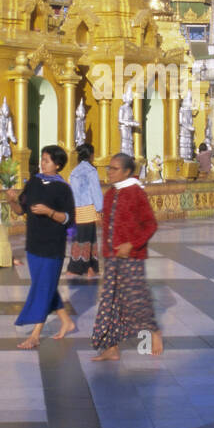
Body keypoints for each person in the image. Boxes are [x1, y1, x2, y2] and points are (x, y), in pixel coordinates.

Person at [91, 153, 162, 361]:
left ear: (127, 172)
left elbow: (151, 225)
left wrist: (132, 244)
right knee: (109, 302)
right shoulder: (111, 194)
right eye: (108, 168)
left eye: (114, 169)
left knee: (135, 299)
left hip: (132, 256)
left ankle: (154, 331)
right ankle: (110, 347)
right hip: (111, 256)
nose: (109, 172)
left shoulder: (135, 193)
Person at [6, 145, 77, 349]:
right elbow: (21, 210)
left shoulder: (63, 189)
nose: (42, 163)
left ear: (57, 165)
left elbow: (69, 219)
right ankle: (67, 321)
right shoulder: (34, 182)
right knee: (44, 285)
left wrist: (49, 212)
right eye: (42, 159)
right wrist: (11, 201)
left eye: (47, 160)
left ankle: (35, 335)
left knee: (42, 287)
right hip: (34, 243)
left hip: (53, 244)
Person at [66, 143, 103, 279]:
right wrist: (100, 208)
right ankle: (85, 268)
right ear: (91, 155)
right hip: (88, 209)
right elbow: (95, 191)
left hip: (77, 210)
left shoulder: (74, 172)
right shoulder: (91, 171)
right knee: (89, 239)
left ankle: (80, 267)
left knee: (79, 239)